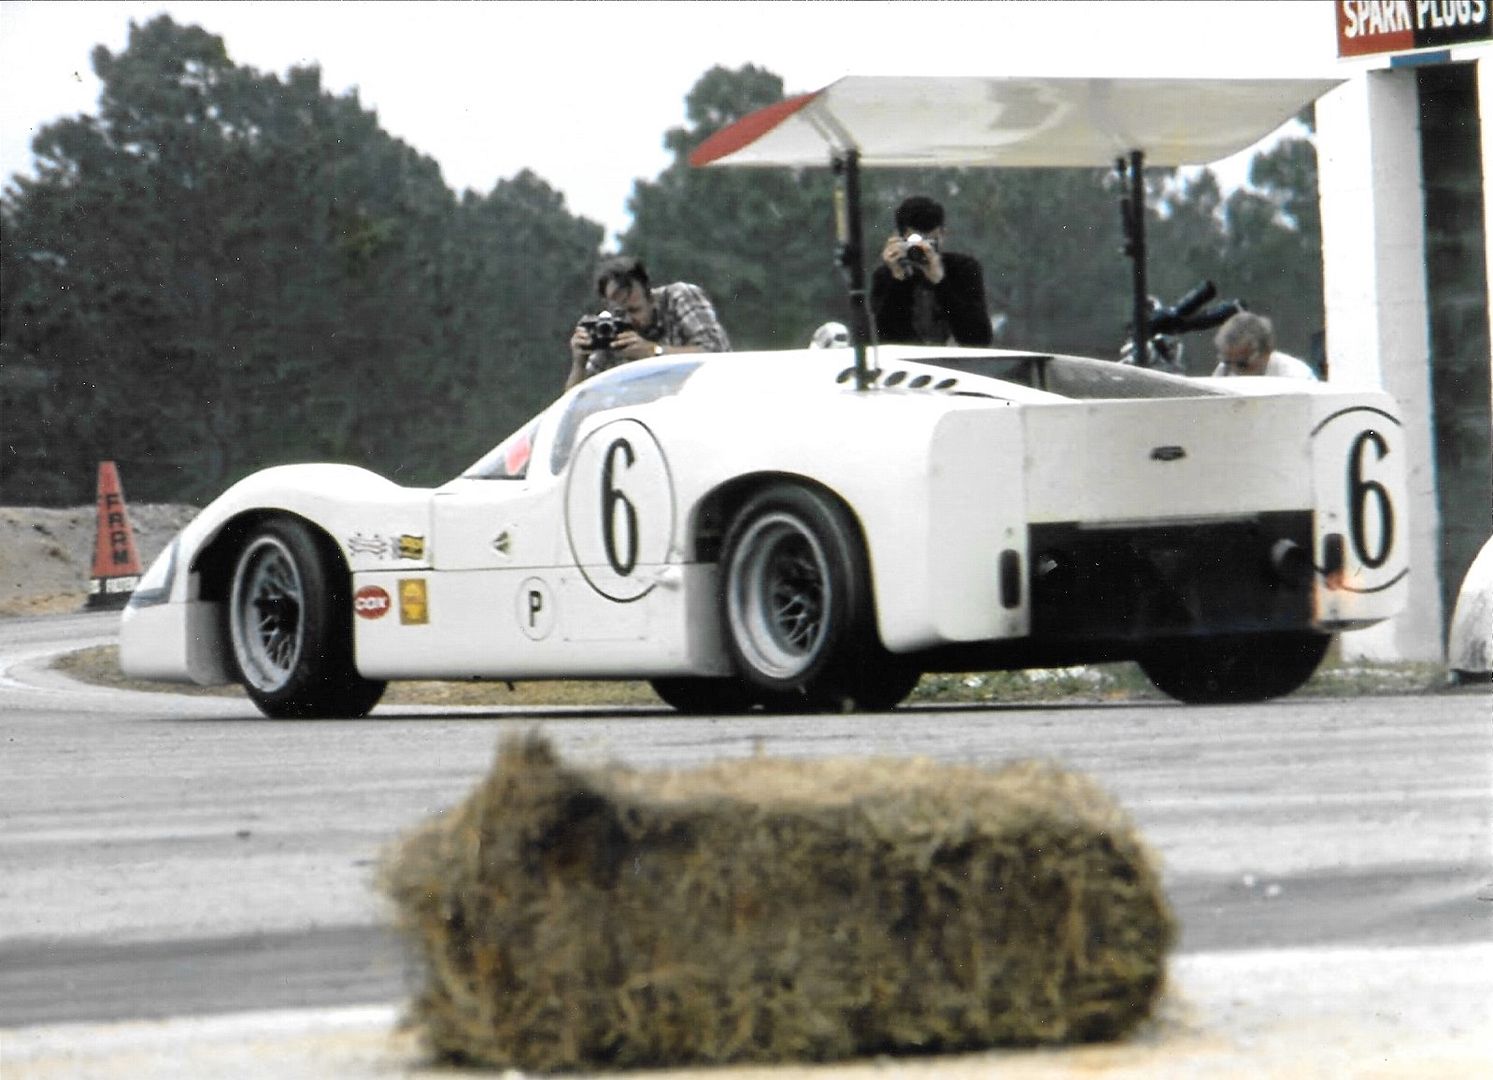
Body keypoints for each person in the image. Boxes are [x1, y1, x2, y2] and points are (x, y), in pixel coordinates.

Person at [567, 256, 730, 389]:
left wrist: (654, 352)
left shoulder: (679, 297)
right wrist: (579, 363)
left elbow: (715, 352)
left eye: (634, 309)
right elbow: (576, 403)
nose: (629, 319)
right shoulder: (611, 328)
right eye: (620, 310)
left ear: (647, 291)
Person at [870, 196, 993, 347]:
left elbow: (979, 339)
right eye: (916, 244)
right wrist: (898, 280)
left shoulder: (963, 269)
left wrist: (940, 281)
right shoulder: (886, 276)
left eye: (931, 243)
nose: (924, 251)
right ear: (899, 239)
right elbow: (887, 339)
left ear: (943, 234)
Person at [1211, 311, 1318, 379]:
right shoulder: (1224, 371)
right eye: (1227, 362)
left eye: (1242, 364)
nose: (1234, 371)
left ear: (1267, 351)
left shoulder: (1297, 376)